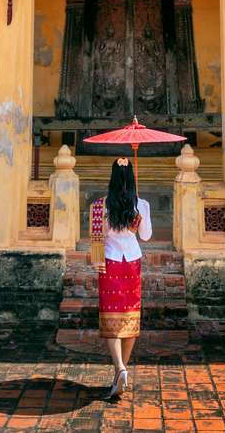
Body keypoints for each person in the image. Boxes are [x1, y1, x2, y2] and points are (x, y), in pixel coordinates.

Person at [98, 156, 150, 399]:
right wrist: (138, 215)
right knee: (130, 319)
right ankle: (121, 371)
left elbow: (97, 239)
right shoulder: (142, 205)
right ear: (131, 178)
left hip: (109, 263)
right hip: (132, 263)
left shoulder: (101, 206)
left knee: (111, 320)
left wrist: (96, 265)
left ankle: (119, 368)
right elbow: (146, 237)